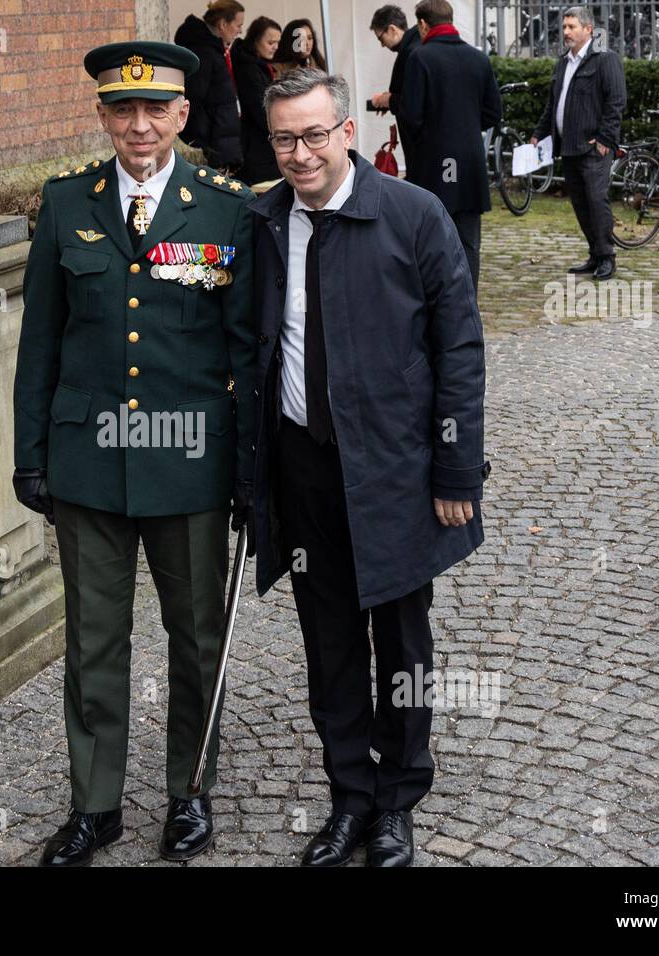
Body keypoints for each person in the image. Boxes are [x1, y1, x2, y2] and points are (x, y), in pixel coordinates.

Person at [12, 40, 257, 866]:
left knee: (195, 642)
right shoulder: (65, 204)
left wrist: (252, 472)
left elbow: (246, 349)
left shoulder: (227, 207)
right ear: (104, 116)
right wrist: (31, 452)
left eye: (157, 109)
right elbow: (38, 342)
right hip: (88, 464)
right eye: (124, 109)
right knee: (92, 643)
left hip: (190, 466)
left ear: (183, 116)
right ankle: (95, 804)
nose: (140, 124)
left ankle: (190, 794)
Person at [248, 68, 489, 867]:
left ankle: (398, 799)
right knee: (330, 645)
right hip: (303, 469)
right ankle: (349, 797)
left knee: (400, 642)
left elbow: (458, 349)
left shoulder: (413, 215)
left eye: (315, 134)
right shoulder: (262, 221)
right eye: (284, 137)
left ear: (347, 131)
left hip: (392, 470)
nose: (300, 152)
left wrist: (456, 472)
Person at [397, 0, 501, 293]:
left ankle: (442, 298)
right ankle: (467, 297)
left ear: (423, 25)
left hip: (436, 162)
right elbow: (493, 113)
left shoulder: (421, 57)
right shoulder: (478, 58)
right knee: (468, 239)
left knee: (434, 232)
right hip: (467, 161)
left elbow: (410, 116)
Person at [530, 6, 626, 280]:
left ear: (588, 30)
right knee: (581, 204)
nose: (566, 32)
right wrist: (539, 133)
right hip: (568, 146)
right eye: (564, 27)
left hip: (593, 147)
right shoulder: (564, 62)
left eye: (572, 27)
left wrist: (606, 139)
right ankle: (594, 253)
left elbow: (616, 101)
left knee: (597, 200)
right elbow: (553, 104)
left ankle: (607, 256)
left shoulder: (605, 60)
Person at [176, 1, 247, 173]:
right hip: (212, 148)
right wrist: (205, 146)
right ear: (223, 24)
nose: (240, 31)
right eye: (238, 25)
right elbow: (194, 100)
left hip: (218, 143)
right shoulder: (205, 52)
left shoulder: (211, 49)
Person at [369, 5, 422, 179]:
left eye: (381, 38)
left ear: (392, 29)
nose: (382, 45)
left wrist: (388, 100)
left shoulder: (412, 52)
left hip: (420, 142)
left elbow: (414, 100)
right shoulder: (413, 47)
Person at [234, 15, 283, 184]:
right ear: (255, 40)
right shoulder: (248, 69)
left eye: (278, 42)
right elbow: (260, 110)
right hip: (255, 149)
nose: (275, 47)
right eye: (270, 43)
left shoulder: (258, 65)